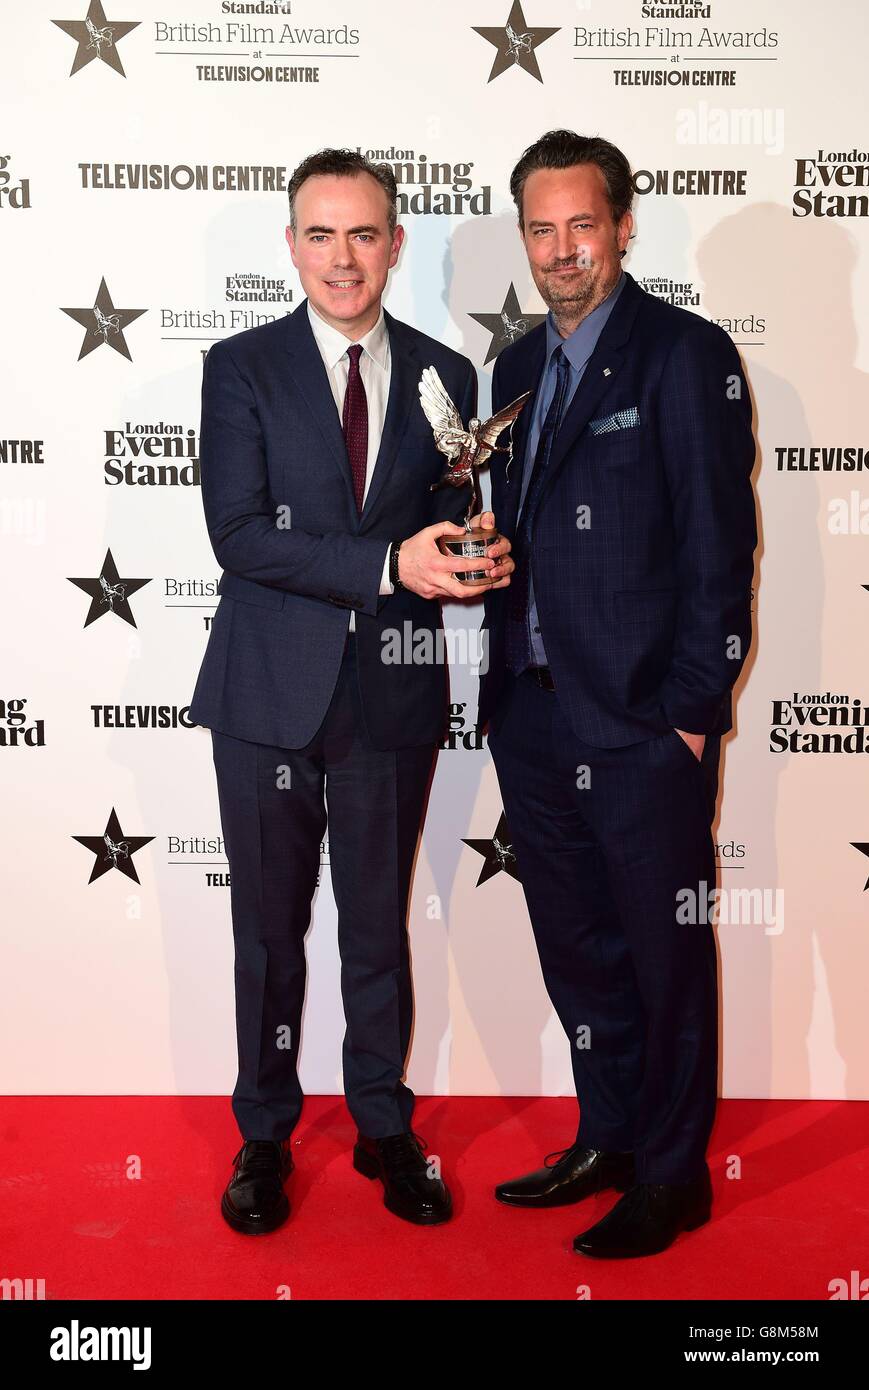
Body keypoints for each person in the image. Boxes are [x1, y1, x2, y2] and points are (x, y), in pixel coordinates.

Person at [189, 147, 513, 1234]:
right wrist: (386, 567)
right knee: (268, 931)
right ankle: (264, 1135)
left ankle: (382, 1122)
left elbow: (451, 517)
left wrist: (472, 555)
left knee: (378, 925)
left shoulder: (445, 372)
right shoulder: (240, 367)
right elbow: (238, 538)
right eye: (320, 234)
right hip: (265, 696)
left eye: (363, 233)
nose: (342, 256)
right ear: (290, 246)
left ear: (394, 244)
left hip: (391, 698)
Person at [477, 129, 757, 1257]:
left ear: (623, 225)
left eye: (579, 224)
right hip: (532, 711)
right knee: (577, 944)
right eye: (539, 229)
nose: (560, 249)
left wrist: (691, 712)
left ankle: (674, 1173)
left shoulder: (682, 354)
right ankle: (608, 1134)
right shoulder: (510, 370)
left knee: (664, 954)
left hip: (644, 721)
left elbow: (718, 545)